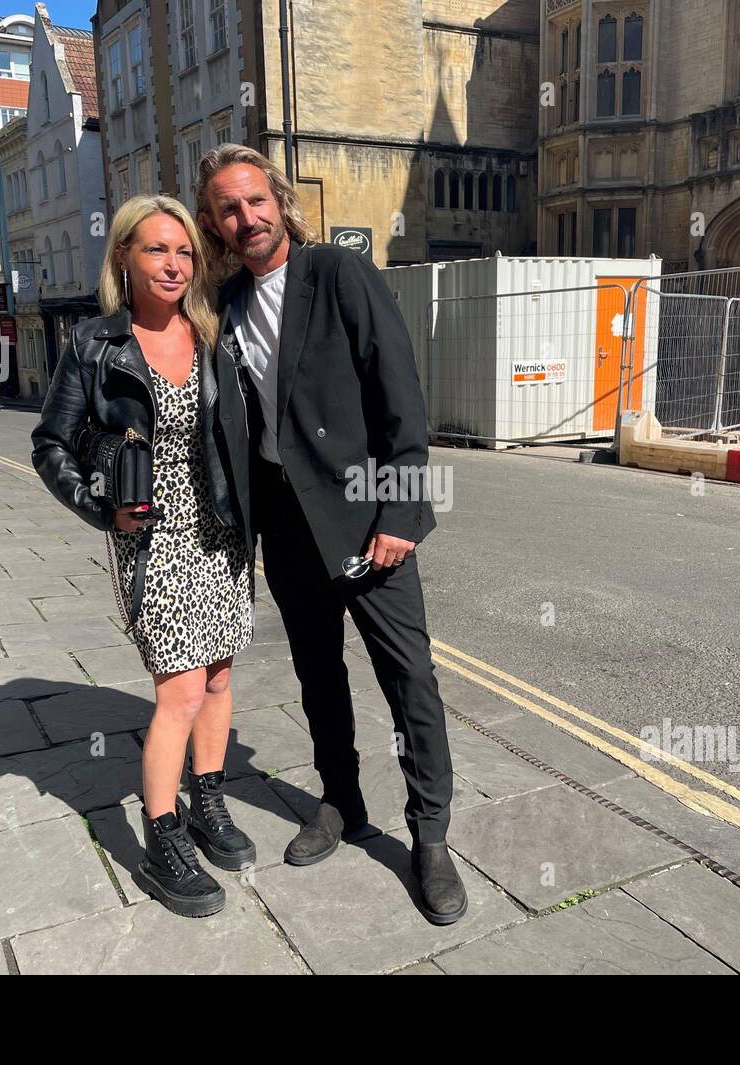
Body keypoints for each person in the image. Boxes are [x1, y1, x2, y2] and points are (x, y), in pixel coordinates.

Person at [195, 145, 467, 925]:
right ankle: (341, 801)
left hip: (366, 518)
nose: (245, 218)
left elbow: (400, 394)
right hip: (287, 527)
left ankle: (430, 835)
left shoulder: (337, 274)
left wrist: (400, 515)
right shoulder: (228, 304)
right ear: (215, 224)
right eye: (227, 209)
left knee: (409, 679)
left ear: (278, 201)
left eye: (254, 201)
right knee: (319, 678)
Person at [31, 194, 256, 919]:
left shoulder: (210, 330)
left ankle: (207, 803)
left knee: (218, 679)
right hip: (154, 538)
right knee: (179, 692)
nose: (174, 263)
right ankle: (160, 840)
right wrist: (101, 505)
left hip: (220, 532)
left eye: (184, 251)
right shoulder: (96, 343)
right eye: (157, 249)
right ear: (123, 256)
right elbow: (50, 443)